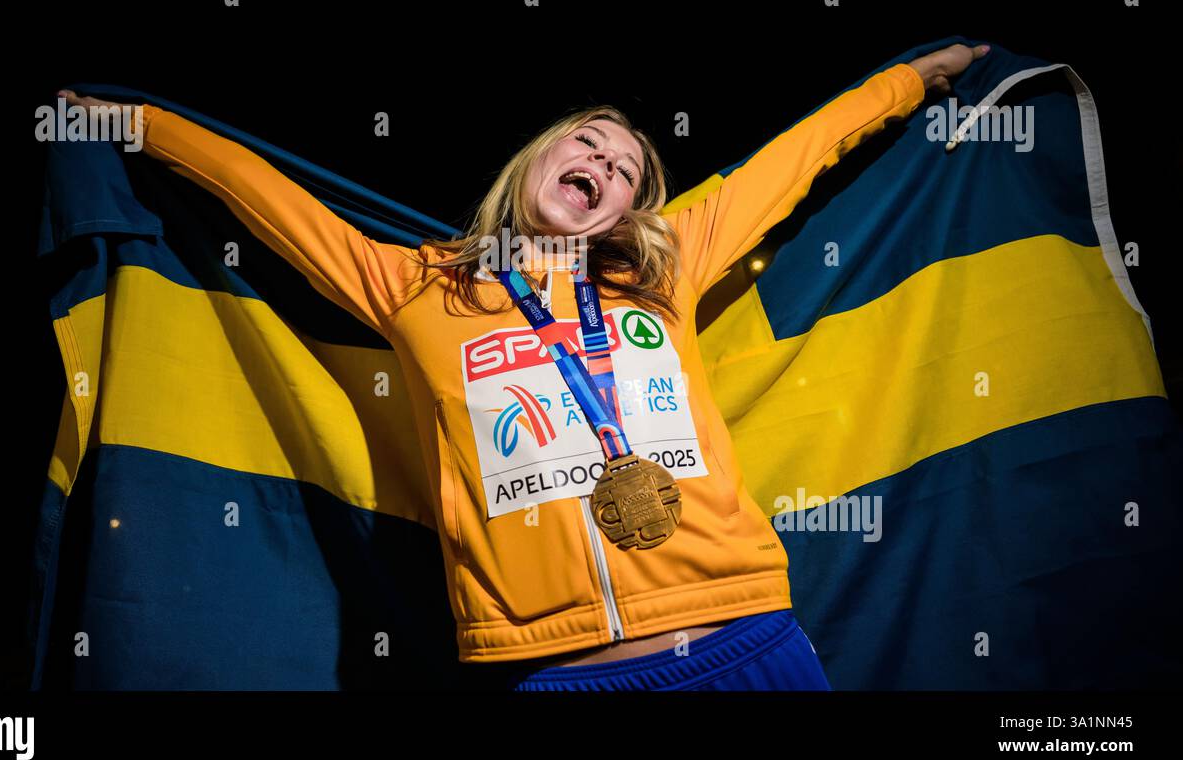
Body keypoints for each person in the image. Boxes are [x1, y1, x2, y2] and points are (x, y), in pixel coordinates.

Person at [56, 42, 989, 691]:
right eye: (587, 142)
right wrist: (137, 124)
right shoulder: (416, 287)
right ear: (538, 160)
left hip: (749, 638)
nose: (604, 163)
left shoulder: (664, 268)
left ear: (627, 212)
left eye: (626, 169)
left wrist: (912, 79)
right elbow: (264, 196)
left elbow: (799, 155)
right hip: (556, 671)